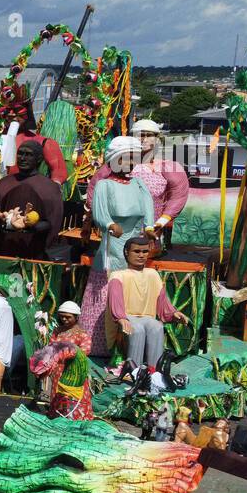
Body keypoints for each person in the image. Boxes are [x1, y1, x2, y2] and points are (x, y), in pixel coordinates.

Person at [80, 137, 155, 357]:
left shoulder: (139, 184)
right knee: (107, 289)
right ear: (115, 159)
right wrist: (109, 224)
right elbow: (99, 211)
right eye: (127, 157)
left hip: (134, 243)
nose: (131, 162)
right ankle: (100, 345)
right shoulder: (105, 184)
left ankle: (128, 347)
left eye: (134, 158)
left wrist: (149, 227)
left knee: (131, 287)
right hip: (113, 245)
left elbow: (148, 207)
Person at [86, 120, 188, 248]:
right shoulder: (115, 165)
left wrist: (162, 221)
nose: (144, 139)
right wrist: (108, 223)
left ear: (157, 139)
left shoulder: (168, 167)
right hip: (117, 234)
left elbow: (179, 196)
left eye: (149, 135)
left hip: (150, 234)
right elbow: (93, 193)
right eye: (139, 134)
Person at [107, 236, 188, 373]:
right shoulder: (118, 275)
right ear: (127, 252)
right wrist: (121, 317)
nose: (141, 255)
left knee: (156, 327)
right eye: (137, 251)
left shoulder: (153, 274)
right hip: (128, 316)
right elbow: (115, 300)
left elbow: (162, 300)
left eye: (145, 252)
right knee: (137, 329)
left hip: (147, 316)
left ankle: (154, 371)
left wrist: (173, 313)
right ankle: (134, 371)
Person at [0, 139, 64, 260]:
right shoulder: (4, 184)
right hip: (4, 250)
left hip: (34, 253)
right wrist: (5, 221)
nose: (23, 158)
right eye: (20, 153)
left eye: (28, 154)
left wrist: (27, 225)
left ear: (39, 159)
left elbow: (53, 223)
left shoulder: (49, 188)